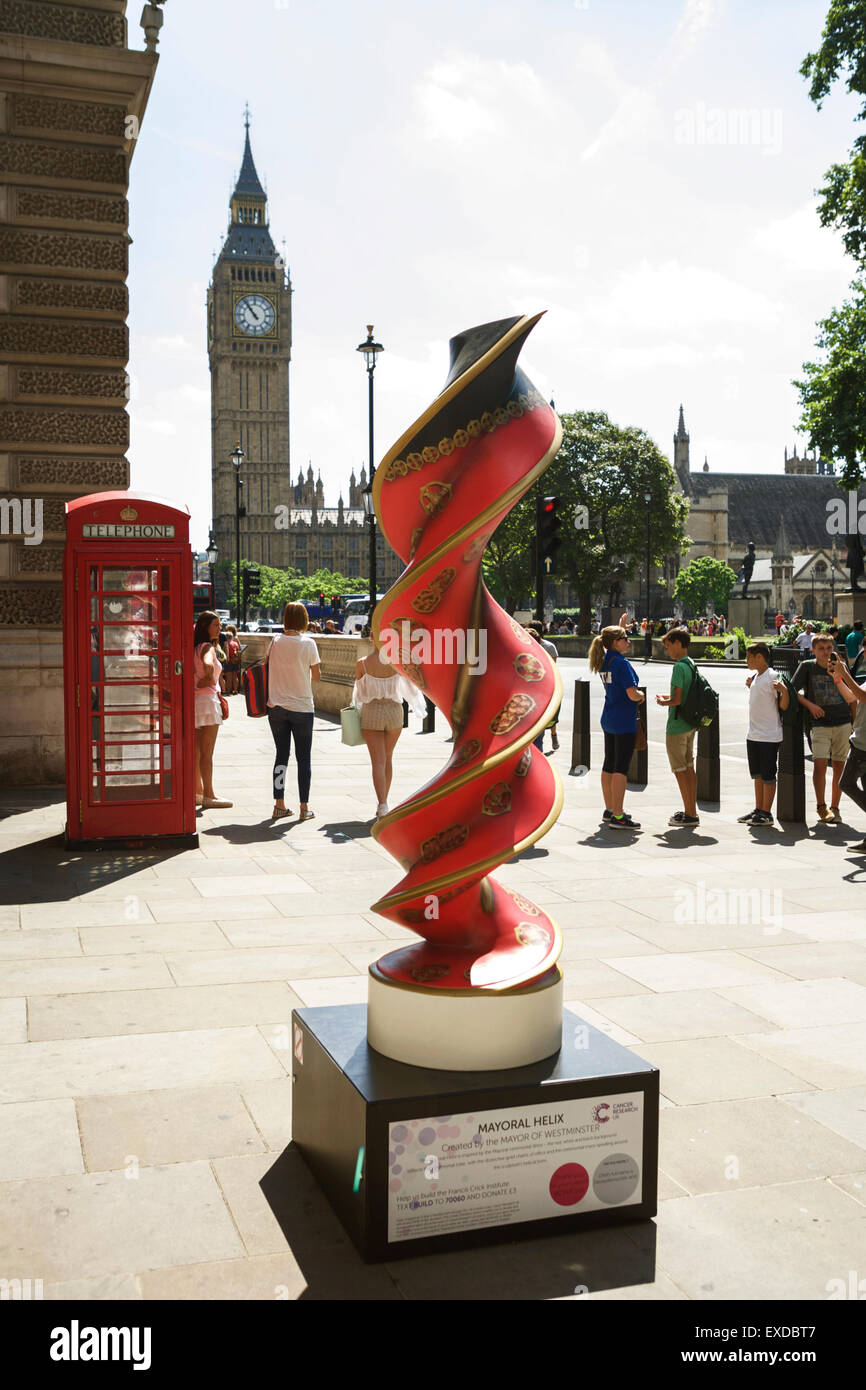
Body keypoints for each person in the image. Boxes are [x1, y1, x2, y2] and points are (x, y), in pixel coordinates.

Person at [353, 633, 426, 819]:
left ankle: (382, 804)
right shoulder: (397, 662)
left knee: (377, 761)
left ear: (371, 638)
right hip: (394, 712)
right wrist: (419, 710)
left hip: (372, 712)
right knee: (388, 757)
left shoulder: (362, 663)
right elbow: (411, 689)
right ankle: (385, 802)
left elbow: (359, 695)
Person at [792, 632, 857, 822]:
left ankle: (835, 807)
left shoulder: (841, 667)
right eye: (821, 648)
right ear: (813, 650)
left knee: (839, 766)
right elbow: (792, 690)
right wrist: (810, 705)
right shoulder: (807, 667)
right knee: (819, 765)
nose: (826, 652)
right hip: (819, 724)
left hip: (843, 722)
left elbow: (852, 694)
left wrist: (853, 722)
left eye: (829, 648)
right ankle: (821, 806)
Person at [266, 601, 321, 821]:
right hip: (302, 708)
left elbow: (267, 665)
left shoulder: (275, 641)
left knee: (281, 756)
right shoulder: (308, 643)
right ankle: (304, 807)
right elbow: (316, 676)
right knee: (303, 758)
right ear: (304, 619)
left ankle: (279, 804)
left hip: (276, 707)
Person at [588, 625, 644, 830]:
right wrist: (642, 696)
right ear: (614, 642)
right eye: (624, 638)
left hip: (609, 718)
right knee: (621, 766)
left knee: (609, 763)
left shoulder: (606, 661)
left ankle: (610, 809)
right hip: (624, 720)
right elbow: (632, 694)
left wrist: (621, 623)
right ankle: (619, 816)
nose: (628, 641)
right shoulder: (621, 663)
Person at [738, 642, 789, 826]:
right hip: (754, 734)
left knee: (768, 775)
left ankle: (766, 813)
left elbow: (783, 706)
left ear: (759, 657)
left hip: (769, 735)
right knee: (757, 774)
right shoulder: (756, 677)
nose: (746, 661)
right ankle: (759, 809)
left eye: (748, 657)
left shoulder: (773, 676)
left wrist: (784, 692)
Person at [656, 627, 699, 828]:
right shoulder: (691, 664)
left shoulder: (679, 667)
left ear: (677, 643)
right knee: (689, 768)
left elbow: (678, 699)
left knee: (680, 770)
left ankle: (689, 814)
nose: (668, 651)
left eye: (668, 646)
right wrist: (669, 698)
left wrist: (664, 702)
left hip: (677, 726)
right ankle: (692, 810)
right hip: (690, 723)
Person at [193, 610, 232, 810]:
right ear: (206, 627)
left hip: (194, 703)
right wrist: (209, 676)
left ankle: (197, 792)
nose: (219, 628)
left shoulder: (195, 647)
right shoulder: (208, 647)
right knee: (207, 754)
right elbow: (208, 664)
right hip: (208, 702)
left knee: (196, 752)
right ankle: (209, 795)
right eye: (216, 624)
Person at [834, 658, 866, 849]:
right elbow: (853, 698)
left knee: (845, 783)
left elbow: (863, 697)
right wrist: (839, 679)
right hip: (861, 742)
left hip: (863, 745)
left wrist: (845, 674)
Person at [525, 621, 560, 750]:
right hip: (543, 691)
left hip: (534, 693)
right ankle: (549, 739)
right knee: (542, 723)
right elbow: (553, 668)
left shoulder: (530, 648)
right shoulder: (549, 646)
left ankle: (552, 736)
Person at [222, 623, 241, 695]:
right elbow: (239, 648)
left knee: (228, 677)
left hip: (229, 660)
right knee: (235, 676)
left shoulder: (228, 642)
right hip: (235, 660)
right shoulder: (235, 641)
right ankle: (235, 690)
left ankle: (228, 691)